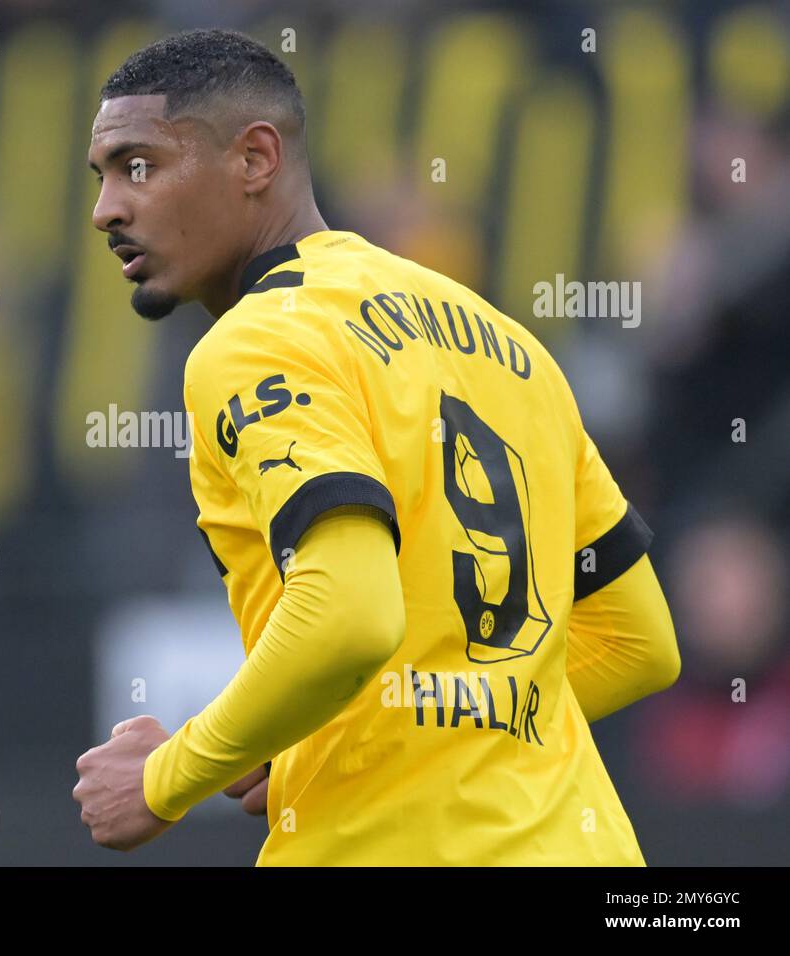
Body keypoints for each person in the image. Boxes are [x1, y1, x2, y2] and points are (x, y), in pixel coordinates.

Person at [72, 28, 681, 865]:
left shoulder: (258, 342)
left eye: (137, 166)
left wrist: (164, 777)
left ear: (255, 159)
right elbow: (638, 642)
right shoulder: (505, 342)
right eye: (102, 177)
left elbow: (348, 617)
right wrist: (320, 733)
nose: (107, 207)